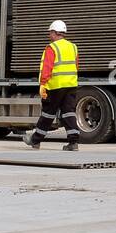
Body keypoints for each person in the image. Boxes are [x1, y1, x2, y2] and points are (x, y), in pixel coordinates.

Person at [24, 20, 80, 151]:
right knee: (68, 113)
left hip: (55, 86)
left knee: (48, 114)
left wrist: (43, 83)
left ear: (55, 33)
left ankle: (35, 140)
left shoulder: (52, 47)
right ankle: (73, 142)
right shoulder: (73, 47)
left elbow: (47, 67)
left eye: (50, 32)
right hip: (71, 85)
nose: (49, 35)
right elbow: (76, 66)